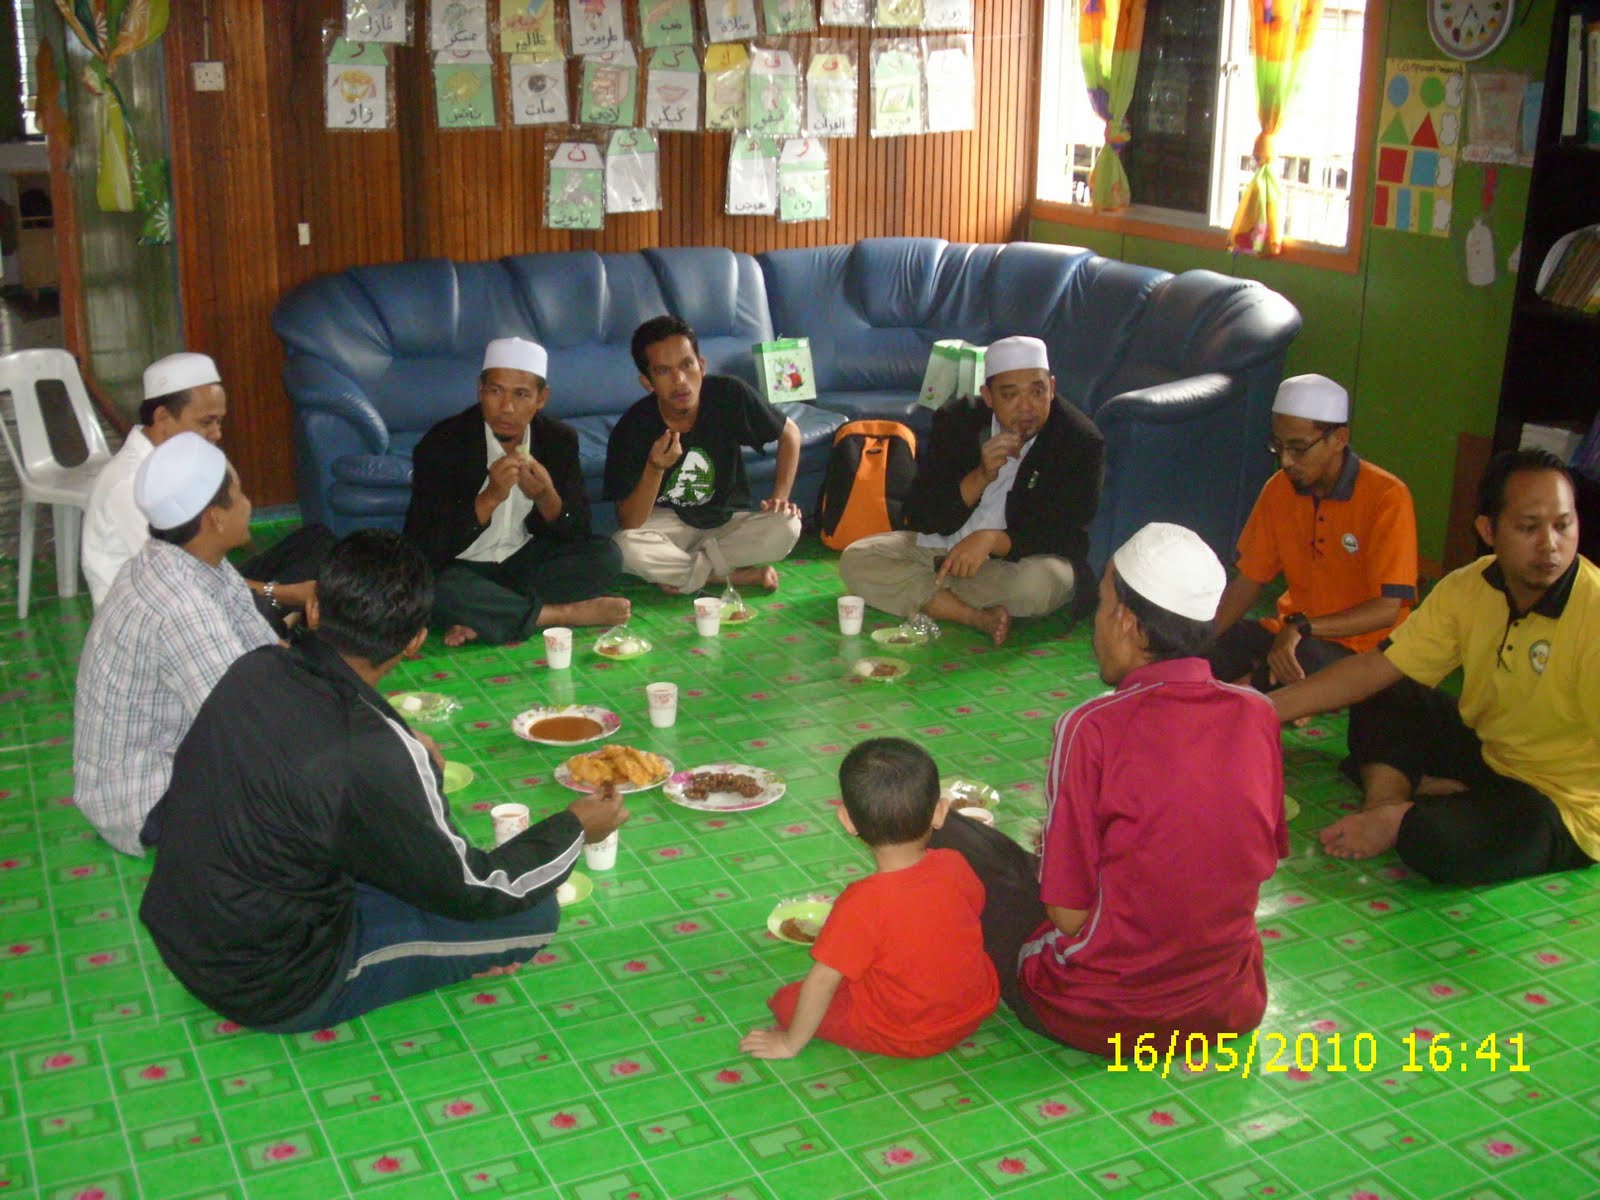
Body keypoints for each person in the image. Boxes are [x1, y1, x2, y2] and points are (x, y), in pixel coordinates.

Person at [138, 529, 630, 1032]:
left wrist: (399, 760)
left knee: (406, 863)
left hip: (188, 931)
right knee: (532, 915)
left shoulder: (256, 668)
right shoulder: (371, 751)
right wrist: (574, 828)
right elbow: (478, 888)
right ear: (416, 640)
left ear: (312, 611)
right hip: (275, 981)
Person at [929, 523, 1287, 1055]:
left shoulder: (1091, 726)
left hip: (1102, 1013)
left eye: (1100, 607)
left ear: (1126, 622)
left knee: (959, 845)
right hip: (1227, 1006)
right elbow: (1249, 854)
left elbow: (1068, 915)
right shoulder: (1258, 713)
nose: (1096, 625)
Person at [1273, 449, 1599, 884]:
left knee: (1438, 843)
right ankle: (1386, 804)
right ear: (1488, 530)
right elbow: (1375, 669)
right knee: (1385, 689)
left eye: (1563, 525)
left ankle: (1411, 814)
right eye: (1528, 527)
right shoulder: (1468, 587)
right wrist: (1258, 709)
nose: (1550, 545)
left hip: (1563, 800)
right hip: (1491, 753)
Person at [73, 432, 278, 856]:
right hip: (142, 796)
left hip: (176, 752)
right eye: (237, 496)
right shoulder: (179, 607)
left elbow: (272, 655)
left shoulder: (196, 563)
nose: (247, 503)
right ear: (214, 520)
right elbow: (251, 725)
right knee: (306, 793)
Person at [739, 738, 998, 1059]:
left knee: (787, 1001)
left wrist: (789, 1042)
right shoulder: (954, 862)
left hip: (909, 1035)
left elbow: (821, 982)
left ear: (848, 820)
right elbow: (973, 911)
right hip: (976, 1005)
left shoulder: (861, 903)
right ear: (940, 812)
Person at [837, 336, 1103, 645]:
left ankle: (926, 593)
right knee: (857, 558)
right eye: (1011, 395)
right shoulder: (957, 421)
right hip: (945, 549)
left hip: (1015, 563)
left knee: (1040, 586)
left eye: (1037, 391)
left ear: (1052, 387)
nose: (1027, 407)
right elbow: (920, 514)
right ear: (988, 396)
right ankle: (973, 615)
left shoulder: (1079, 441)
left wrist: (993, 540)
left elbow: (1066, 531)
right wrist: (979, 477)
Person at [81, 351, 333, 630]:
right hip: (158, 615)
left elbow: (215, 558)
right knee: (292, 599)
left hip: (203, 574)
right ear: (163, 417)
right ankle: (280, 622)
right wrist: (282, 592)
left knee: (317, 542)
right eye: (206, 422)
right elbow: (183, 580)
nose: (217, 433)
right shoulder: (129, 483)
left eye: (219, 421)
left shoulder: (184, 457)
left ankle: (282, 619)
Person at [405, 337, 628, 646]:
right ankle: (561, 615)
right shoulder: (442, 443)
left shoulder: (557, 440)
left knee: (606, 557)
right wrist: (489, 498)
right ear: (480, 390)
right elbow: (424, 547)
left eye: (521, 394)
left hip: (524, 564)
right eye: (496, 391)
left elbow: (578, 531)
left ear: (541, 398)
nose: (506, 408)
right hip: (462, 568)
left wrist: (546, 496)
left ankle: (490, 614)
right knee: (431, 586)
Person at [1209, 374, 1418, 690]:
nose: (1286, 461)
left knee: (1294, 664)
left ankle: (1253, 691)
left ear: (1339, 439)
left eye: (1298, 448)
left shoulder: (1387, 497)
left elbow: (1387, 609)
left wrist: (1304, 627)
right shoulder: (1279, 490)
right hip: (1290, 631)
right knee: (1213, 649)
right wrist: (1200, 640)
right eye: (1277, 447)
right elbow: (1249, 581)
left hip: (1362, 646)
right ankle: (1254, 685)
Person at [604, 315, 803, 594]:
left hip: (728, 521)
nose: (680, 381)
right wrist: (655, 468)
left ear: (702, 364)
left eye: (687, 364)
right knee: (623, 547)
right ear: (647, 382)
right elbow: (630, 522)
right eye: (663, 371)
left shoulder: (729, 394)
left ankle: (689, 575)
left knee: (788, 526)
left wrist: (781, 497)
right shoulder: (633, 427)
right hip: (670, 526)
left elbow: (790, 434)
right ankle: (723, 576)